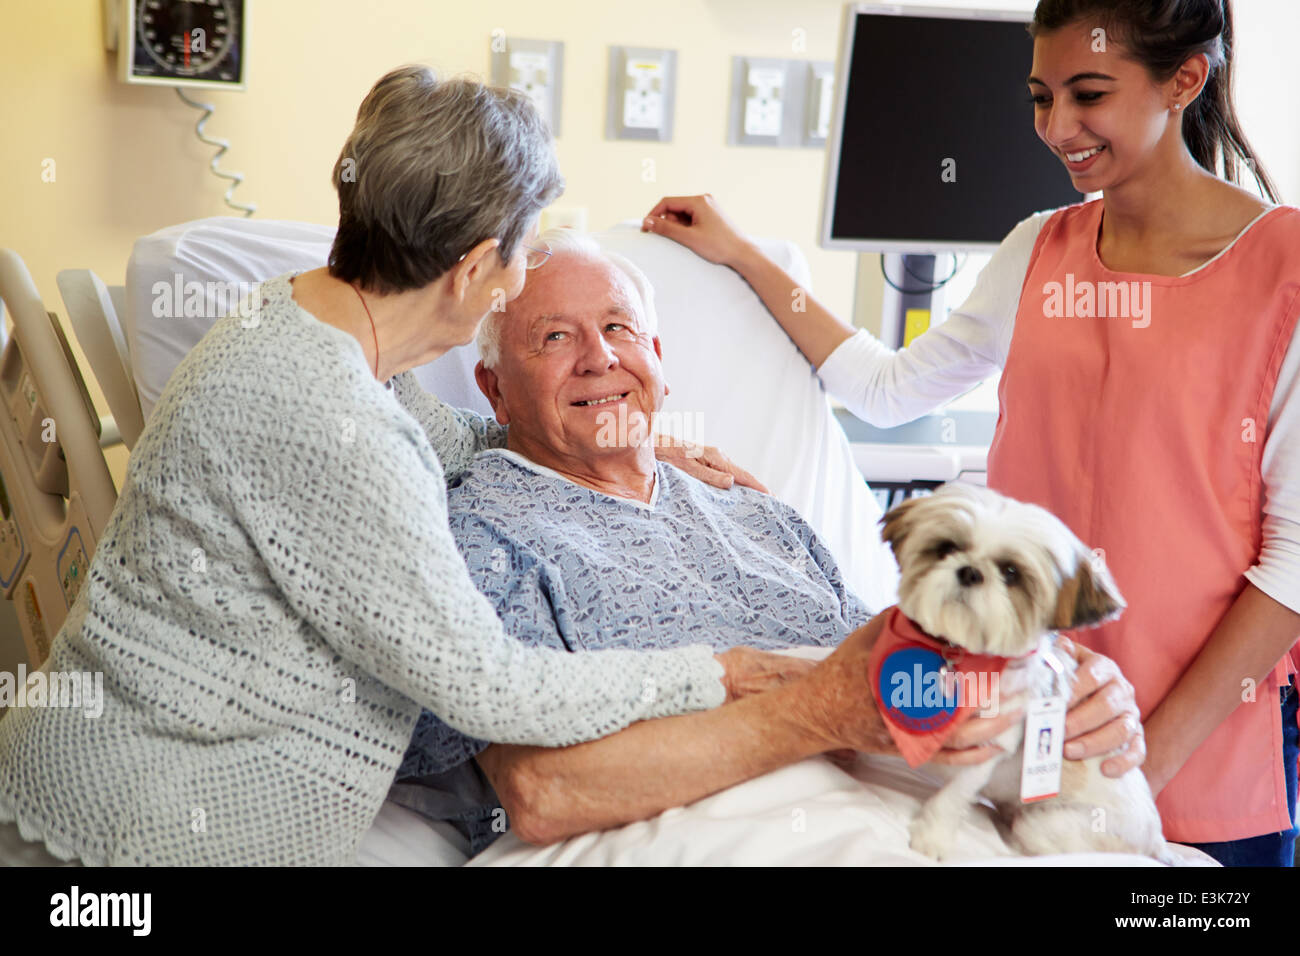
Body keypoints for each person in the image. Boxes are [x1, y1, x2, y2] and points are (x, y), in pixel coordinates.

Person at [0, 66, 792, 867]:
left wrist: (607, 433)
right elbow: (487, 685)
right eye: (521, 262)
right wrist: (717, 673)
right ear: (474, 270)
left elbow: (450, 440)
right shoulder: (332, 420)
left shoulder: (310, 324)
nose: (520, 282)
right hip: (117, 842)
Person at [642, 0, 1300, 866]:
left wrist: (1138, 764)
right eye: (1040, 96)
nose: (1057, 127)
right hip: (1009, 743)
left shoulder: (1282, 271)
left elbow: (1291, 562)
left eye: (1089, 94)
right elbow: (886, 386)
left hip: (1200, 759)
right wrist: (748, 256)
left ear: (1185, 79)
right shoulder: (1037, 250)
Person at [391, 230, 1145, 853]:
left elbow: (897, 667)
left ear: (658, 357)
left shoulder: (757, 512)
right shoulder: (485, 528)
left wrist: (1057, 685)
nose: (600, 357)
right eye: (555, 337)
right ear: (494, 390)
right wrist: (815, 714)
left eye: (620, 328)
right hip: (702, 830)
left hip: (926, 813)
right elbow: (544, 791)